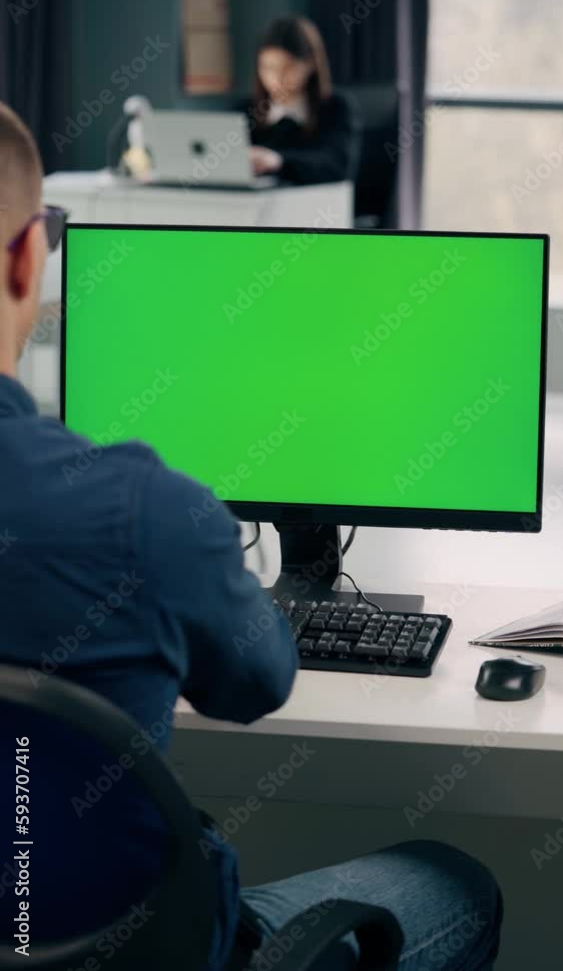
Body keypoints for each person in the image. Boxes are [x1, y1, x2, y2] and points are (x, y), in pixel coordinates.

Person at [0, 101, 502, 970]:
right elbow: (256, 684)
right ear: (25, 257)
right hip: (148, 955)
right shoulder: (139, 512)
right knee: (454, 878)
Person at [247, 17, 362, 186]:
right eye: (268, 67)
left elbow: (336, 167)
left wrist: (279, 161)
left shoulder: (335, 108)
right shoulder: (246, 111)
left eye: (288, 67)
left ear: (310, 64)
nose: (277, 78)